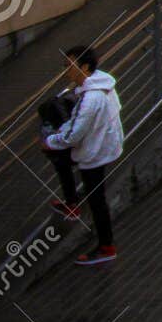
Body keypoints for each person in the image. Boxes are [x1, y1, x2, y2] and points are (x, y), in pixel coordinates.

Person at [40, 45, 124, 266]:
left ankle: (106, 246)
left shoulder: (90, 99)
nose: (66, 71)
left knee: (97, 201)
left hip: (94, 152)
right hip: (103, 146)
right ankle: (73, 205)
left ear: (84, 67)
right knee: (97, 199)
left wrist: (51, 140)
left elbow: (74, 135)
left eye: (69, 66)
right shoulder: (103, 84)